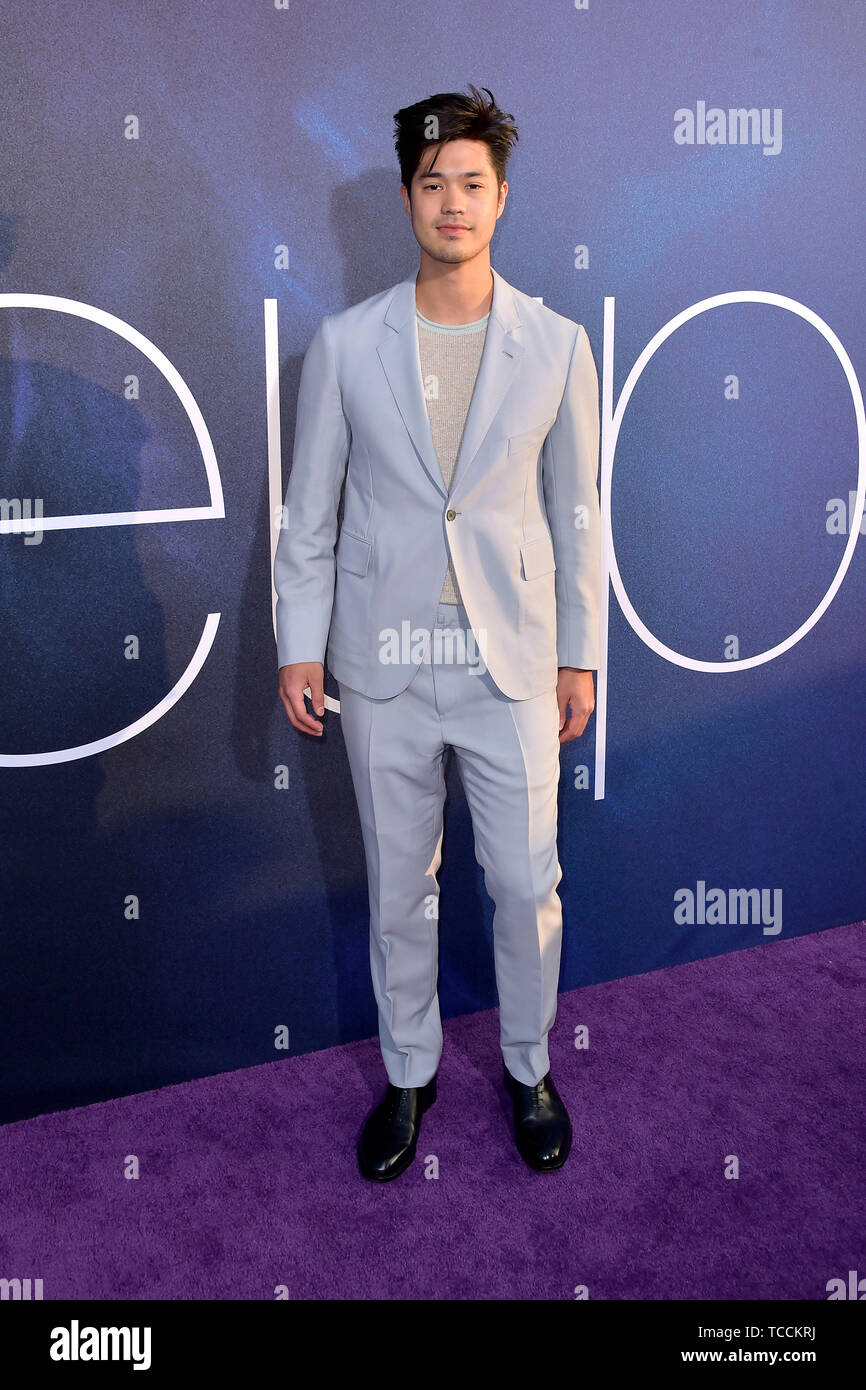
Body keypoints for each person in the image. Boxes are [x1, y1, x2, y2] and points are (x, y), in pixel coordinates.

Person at [275, 84, 601, 1181]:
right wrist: (297, 642)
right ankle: (407, 1074)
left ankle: (527, 1065)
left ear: (500, 199)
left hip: (507, 666)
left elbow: (575, 512)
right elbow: (309, 510)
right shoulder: (344, 342)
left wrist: (577, 651)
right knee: (398, 886)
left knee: (523, 881)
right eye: (432, 183)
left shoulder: (555, 345)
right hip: (380, 667)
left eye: (472, 183)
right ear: (407, 199)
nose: (451, 203)